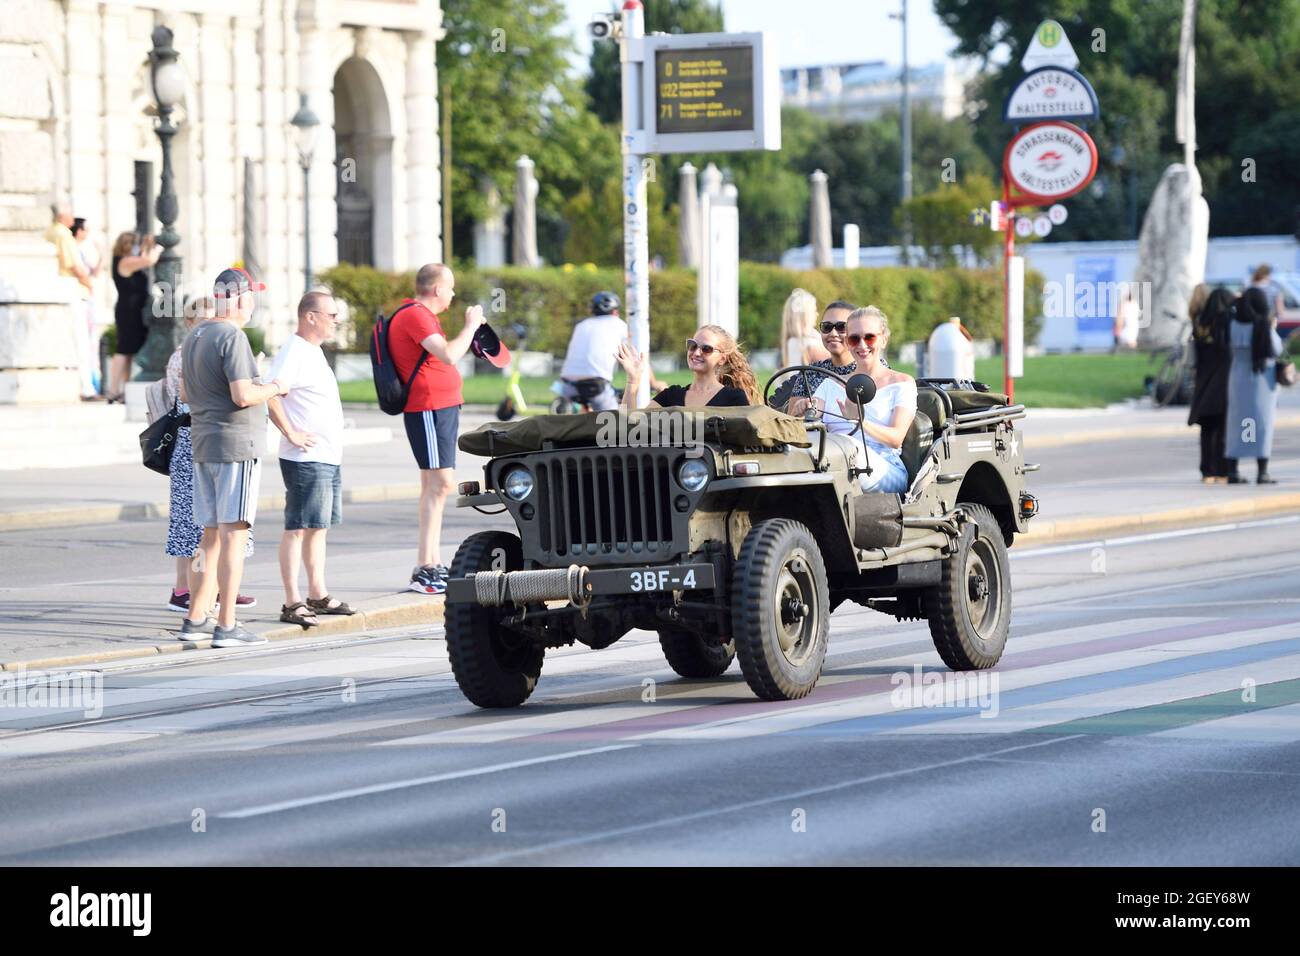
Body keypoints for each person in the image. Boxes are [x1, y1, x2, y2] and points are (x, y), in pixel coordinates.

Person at [179, 267, 287, 647]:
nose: (253, 303)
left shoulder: (196, 335)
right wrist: (274, 385)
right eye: (252, 296)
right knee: (233, 536)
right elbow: (243, 395)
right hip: (236, 445)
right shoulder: (232, 336)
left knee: (208, 537)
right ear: (240, 299)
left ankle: (195, 618)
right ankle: (226, 623)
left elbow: (188, 394)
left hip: (203, 443)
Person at [389, 263, 483, 594]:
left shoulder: (422, 316)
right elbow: (448, 355)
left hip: (438, 407)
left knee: (435, 485)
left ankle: (431, 562)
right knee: (439, 483)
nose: (454, 295)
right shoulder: (415, 314)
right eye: (451, 288)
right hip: (427, 407)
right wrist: (470, 327)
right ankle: (425, 566)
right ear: (437, 289)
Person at [164, 295, 255, 615]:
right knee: (205, 528)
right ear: (191, 322)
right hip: (199, 438)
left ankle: (208, 597)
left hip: (199, 438)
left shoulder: (200, 346)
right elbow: (188, 395)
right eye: (204, 317)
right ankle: (194, 595)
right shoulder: (194, 349)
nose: (212, 321)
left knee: (210, 528)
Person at [266, 291, 353, 627]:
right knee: (297, 528)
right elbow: (272, 394)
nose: (336, 321)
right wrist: (291, 433)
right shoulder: (294, 352)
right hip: (306, 458)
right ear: (311, 316)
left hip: (326, 455)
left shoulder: (313, 352)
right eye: (331, 315)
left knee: (319, 527)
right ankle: (292, 601)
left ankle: (318, 593)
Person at [810, 306, 916, 494]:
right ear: (848, 342)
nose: (862, 345)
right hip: (832, 462)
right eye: (854, 338)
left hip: (885, 468)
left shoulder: (902, 383)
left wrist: (859, 420)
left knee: (846, 448)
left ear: (883, 339)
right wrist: (803, 411)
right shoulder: (829, 384)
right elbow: (809, 422)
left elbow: (895, 438)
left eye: (869, 337)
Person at [618, 324, 757, 408]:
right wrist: (633, 381)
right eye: (693, 345)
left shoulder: (734, 398)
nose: (696, 353)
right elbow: (630, 429)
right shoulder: (671, 396)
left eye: (706, 349)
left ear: (722, 359)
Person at [1224, 286, 1283, 485]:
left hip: (1238, 377)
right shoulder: (1263, 326)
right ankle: (1262, 471)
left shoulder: (1232, 325)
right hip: (1261, 379)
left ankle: (1233, 469)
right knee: (1261, 423)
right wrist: (1272, 327)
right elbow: (1276, 348)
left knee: (1239, 422)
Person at [1187, 285, 1234, 484]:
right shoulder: (1226, 323)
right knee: (1223, 428)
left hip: (1203, 380)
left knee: (1207, 429)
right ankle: (1222, 470)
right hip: (1223, 381)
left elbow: (1194, 354)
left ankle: (1207, 471)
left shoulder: (1199, 324)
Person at [108, 231, 160, 403]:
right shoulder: (124, 261)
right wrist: (157, 245)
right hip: (128, 311)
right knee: (124, 349)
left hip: (135, 311)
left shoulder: (129, 260)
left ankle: (124, 389)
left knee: (129, 351)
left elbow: (144, 257)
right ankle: (113, 390)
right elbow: (149, 260)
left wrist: (147, 244)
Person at [557, 291, 628, 412]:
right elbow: (634, 358)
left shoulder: (581, 325)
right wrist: (653, 382)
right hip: (595, 386)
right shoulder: (620, 325)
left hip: (567, 385)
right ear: (615, 311)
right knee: (617, 424)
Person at [785, 299, 858, 416]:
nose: (833, 333)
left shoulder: (872, 367)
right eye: (827, 326)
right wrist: (800, 410)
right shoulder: (811, 372)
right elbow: (791, 422)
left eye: (841, 327)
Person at [71, 218, 104, 401]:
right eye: (86, 229)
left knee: (91, 344)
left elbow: (95, 272)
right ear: (79, 230)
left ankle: (93, 385)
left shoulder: (82, 249)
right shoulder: (73, 249)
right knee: (84, 344)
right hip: (82, 298)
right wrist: (89, 285)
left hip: (88, 299)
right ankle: (88, 387)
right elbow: (83, 274)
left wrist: (101, 255)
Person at [781, 288, 830, 368]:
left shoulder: (791, 342)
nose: (817, 314)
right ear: (805, 316)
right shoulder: (810, 345)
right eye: (814, 311)